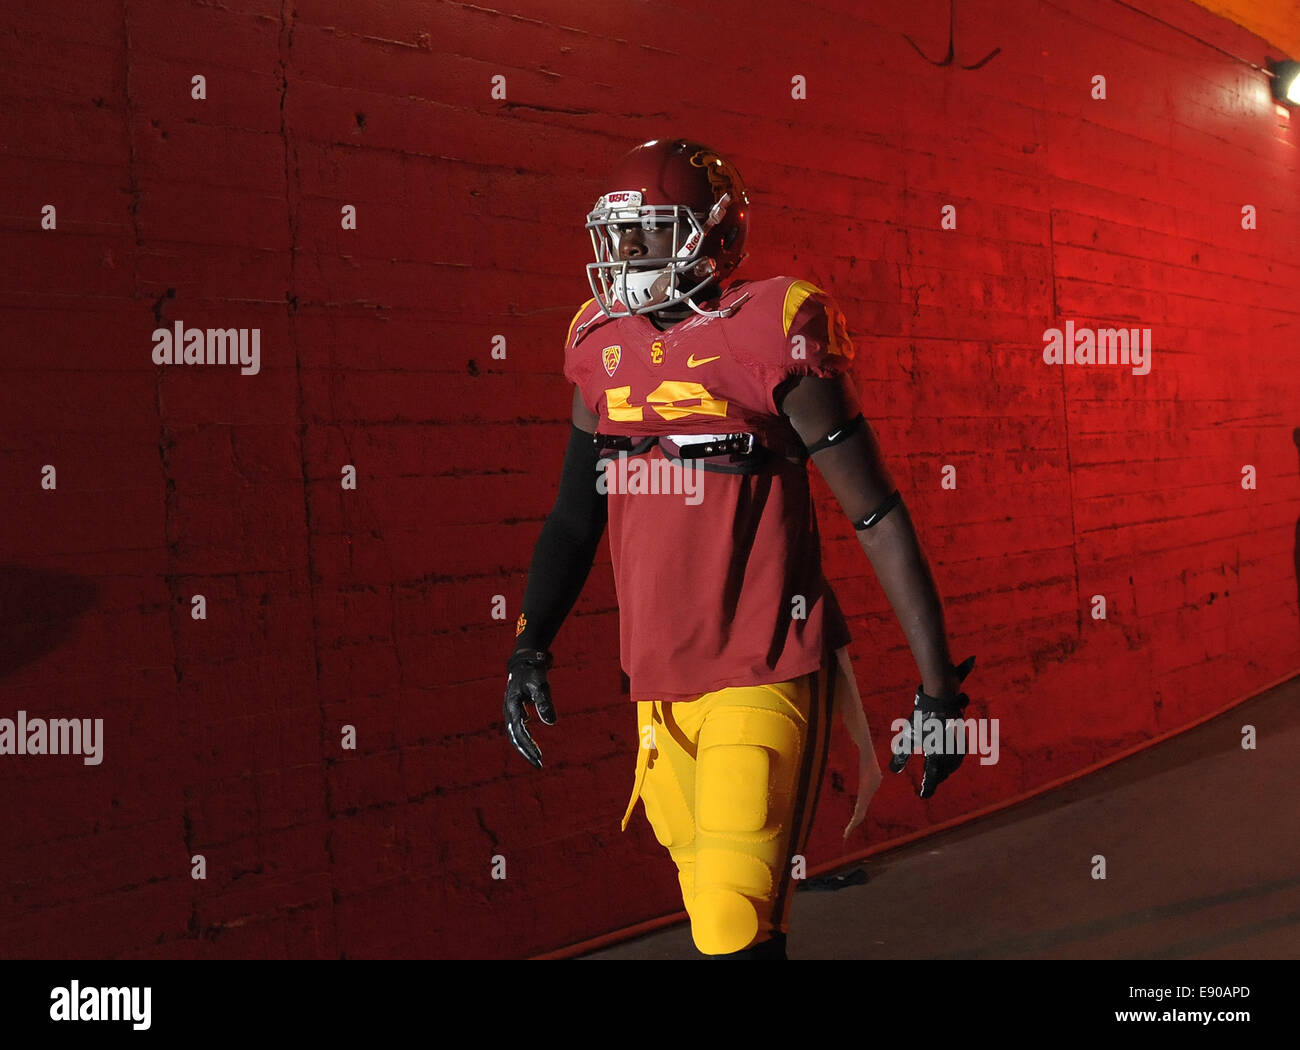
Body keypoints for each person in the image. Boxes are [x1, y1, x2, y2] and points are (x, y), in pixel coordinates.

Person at [502, 138, 974, 960]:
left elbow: (876, 513)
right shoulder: (595, 342)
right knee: (727, 922)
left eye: (649, 234)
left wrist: (938, 693)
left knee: (729, 921)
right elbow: (576, 516)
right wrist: (528, 643)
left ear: (714, 237)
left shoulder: (773, 327)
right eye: (618, 237)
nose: (625, 257)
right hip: (658, 687)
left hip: (765, 662)